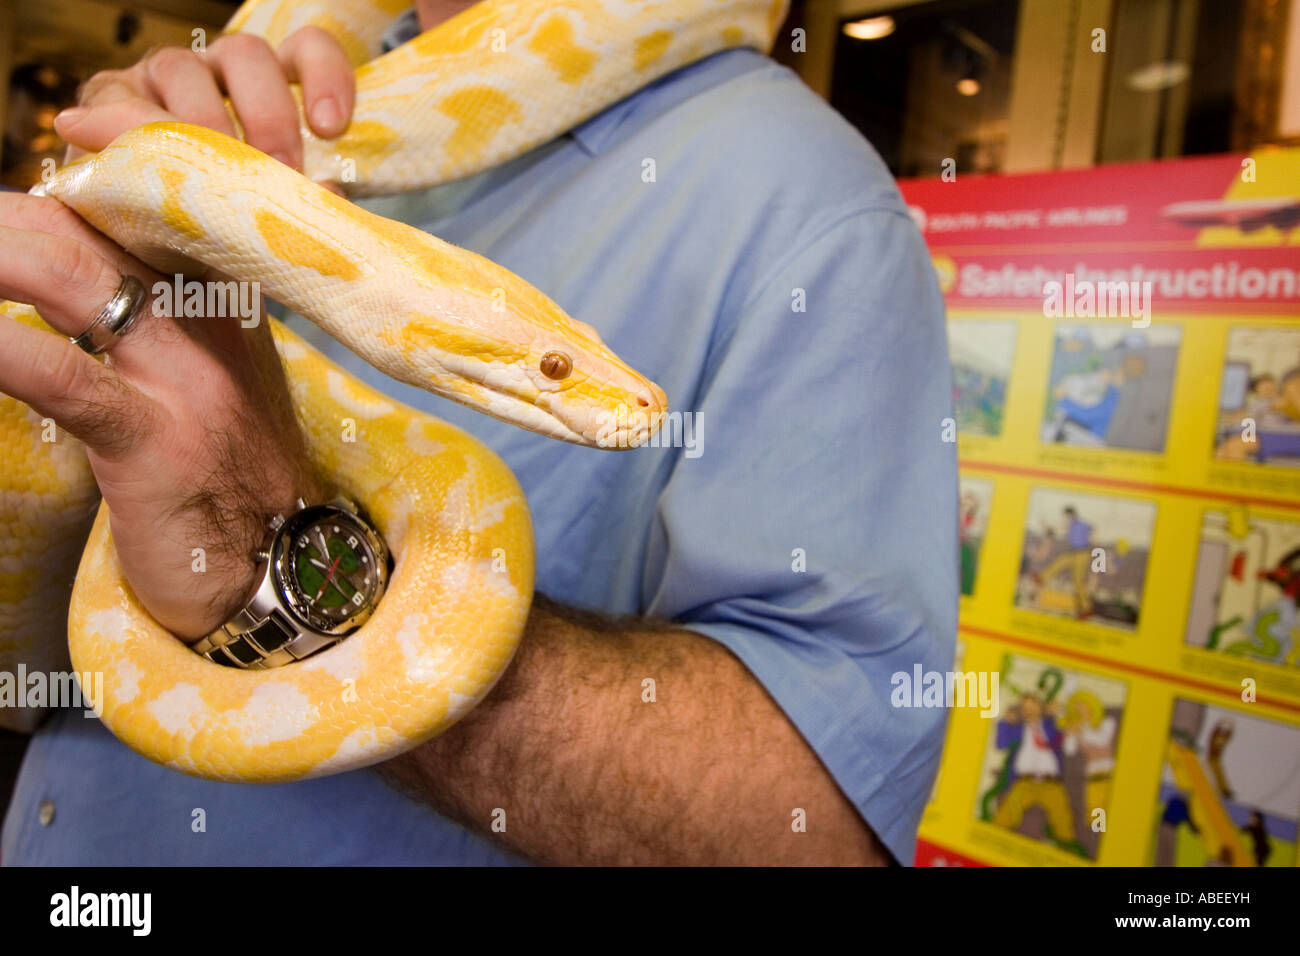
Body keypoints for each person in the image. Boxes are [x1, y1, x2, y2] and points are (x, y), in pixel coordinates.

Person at [0, 1, 957, 865]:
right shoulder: (282, 85)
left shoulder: (806, 207)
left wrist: (284, 572)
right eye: (553, 367)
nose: (607, 396)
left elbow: (817, 838)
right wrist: (114, 203)